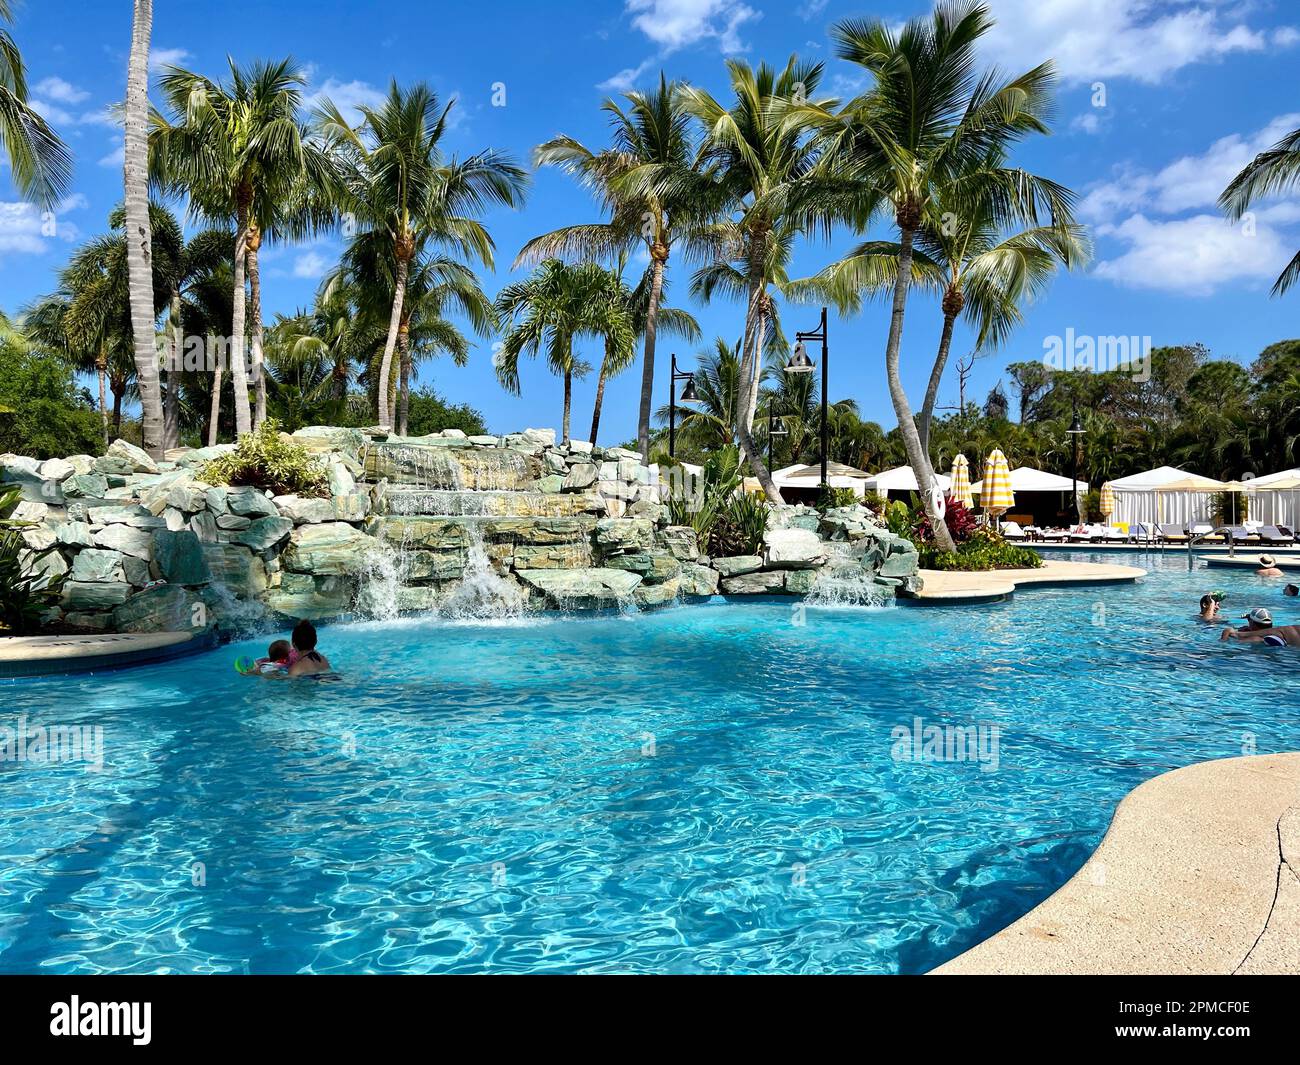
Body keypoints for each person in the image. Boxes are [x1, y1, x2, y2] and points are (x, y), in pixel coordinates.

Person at [1220, 607, 1300, 646]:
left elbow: (1229, 632)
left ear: (1252, 623)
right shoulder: (1287, 630)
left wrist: (1224, 638)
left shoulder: (1257, 638)